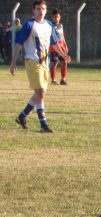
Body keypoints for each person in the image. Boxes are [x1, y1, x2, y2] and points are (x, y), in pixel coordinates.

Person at [10, 0, 70, 133]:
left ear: (45, 10)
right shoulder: (29, 25)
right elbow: (19, 45)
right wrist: (13, 63)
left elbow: (54, 43)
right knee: (40, 92)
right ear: (33, 10)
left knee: (40, 94)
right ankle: (43, 125)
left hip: (45, 63)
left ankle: (22, 116)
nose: (40, 11)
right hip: (32, 61)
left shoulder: (49, 25)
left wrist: (63, 55)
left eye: (43, 9)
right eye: (38, 9)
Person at [49, 10, 68, 85]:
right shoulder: (50, 26)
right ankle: (53, 80)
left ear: (59, 17)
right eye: (54, 17)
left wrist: (65, 45)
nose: (56, 18)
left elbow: (62, 36)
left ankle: (63, 79)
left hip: (62, 47)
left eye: (57, 17)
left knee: (64, 62)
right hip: (54, 48)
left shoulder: (60, 25)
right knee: (54, 63)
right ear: (52, 17)